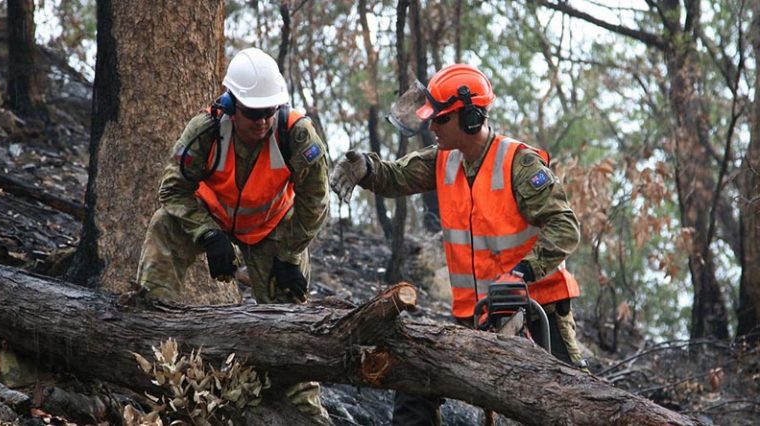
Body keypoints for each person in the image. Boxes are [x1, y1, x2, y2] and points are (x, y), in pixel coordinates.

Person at [330, 63, 586, 425]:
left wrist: (521, 273)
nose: (432, 128)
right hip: (476, 315)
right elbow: (397, 175)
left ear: (470, 119)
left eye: (440, 120)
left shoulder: (519, 164)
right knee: (413, 374)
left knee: (574, 402)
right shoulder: (443, 159)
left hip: (536, 306)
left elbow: (565, 226)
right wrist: (365, 169)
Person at [136, 47, 330, 424]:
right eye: (253, 113)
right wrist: (209, 235)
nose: (262, 122)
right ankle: (148, 346)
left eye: (268, 112)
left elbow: (315, 203)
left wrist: (290, 257)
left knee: (292, 333)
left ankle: (307, 416)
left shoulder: (297, 135)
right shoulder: (207, 130)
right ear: (232, 104)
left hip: (274, 230)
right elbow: (172, 190)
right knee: (164, 224)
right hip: (213, 217)